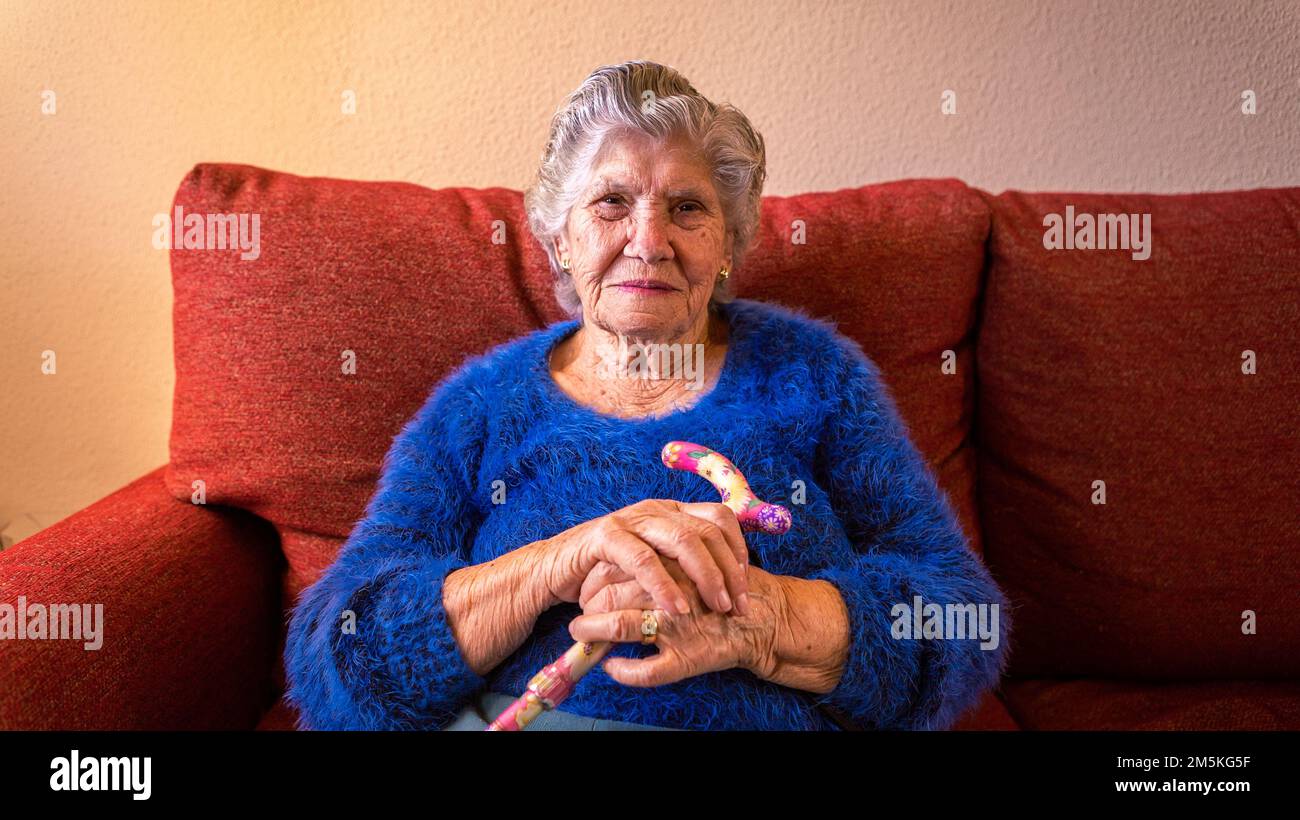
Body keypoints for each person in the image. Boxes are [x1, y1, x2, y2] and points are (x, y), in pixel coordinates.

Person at [284, 60, 1010, 731]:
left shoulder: (816, 374)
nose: (649, 239)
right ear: (561, 238)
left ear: (727, 246)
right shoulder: (479, 406)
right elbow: (332, 659)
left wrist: (760, 617)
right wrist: (553, 566)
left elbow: (966, 622)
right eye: (611, 202)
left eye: (687, 208)